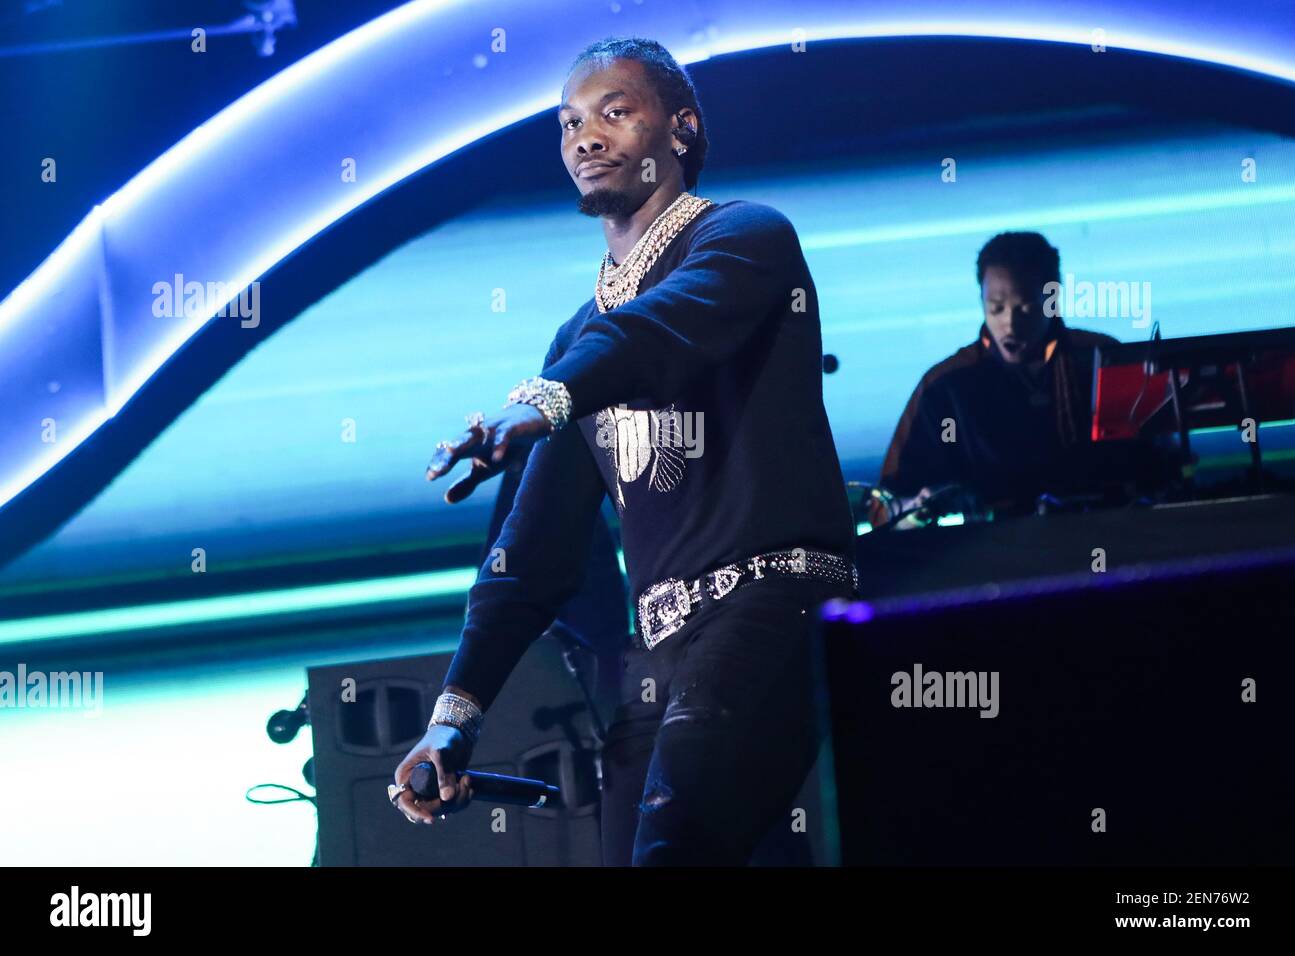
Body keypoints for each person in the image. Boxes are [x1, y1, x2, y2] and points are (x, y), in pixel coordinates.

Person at [390, 36, 858, 865]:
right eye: (570, 123)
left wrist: (545, 401)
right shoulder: (577, 338)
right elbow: (528, 562)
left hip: (775, 607)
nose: (586, 138)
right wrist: (451, 722)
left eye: (614, 112)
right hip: (667, 656)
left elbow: (655, 331)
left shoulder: (745, 238)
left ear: (680, 128)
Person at [869, 231, 1134, 527]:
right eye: (996, 308)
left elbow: (1160, 465)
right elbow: (884, 511)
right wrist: (919, 509)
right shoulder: (946, 386)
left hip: (1111, 536)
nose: (1010, 324)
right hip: (994, 550)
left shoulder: (1104, 360)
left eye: (1026, 308)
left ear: (1053, 299)